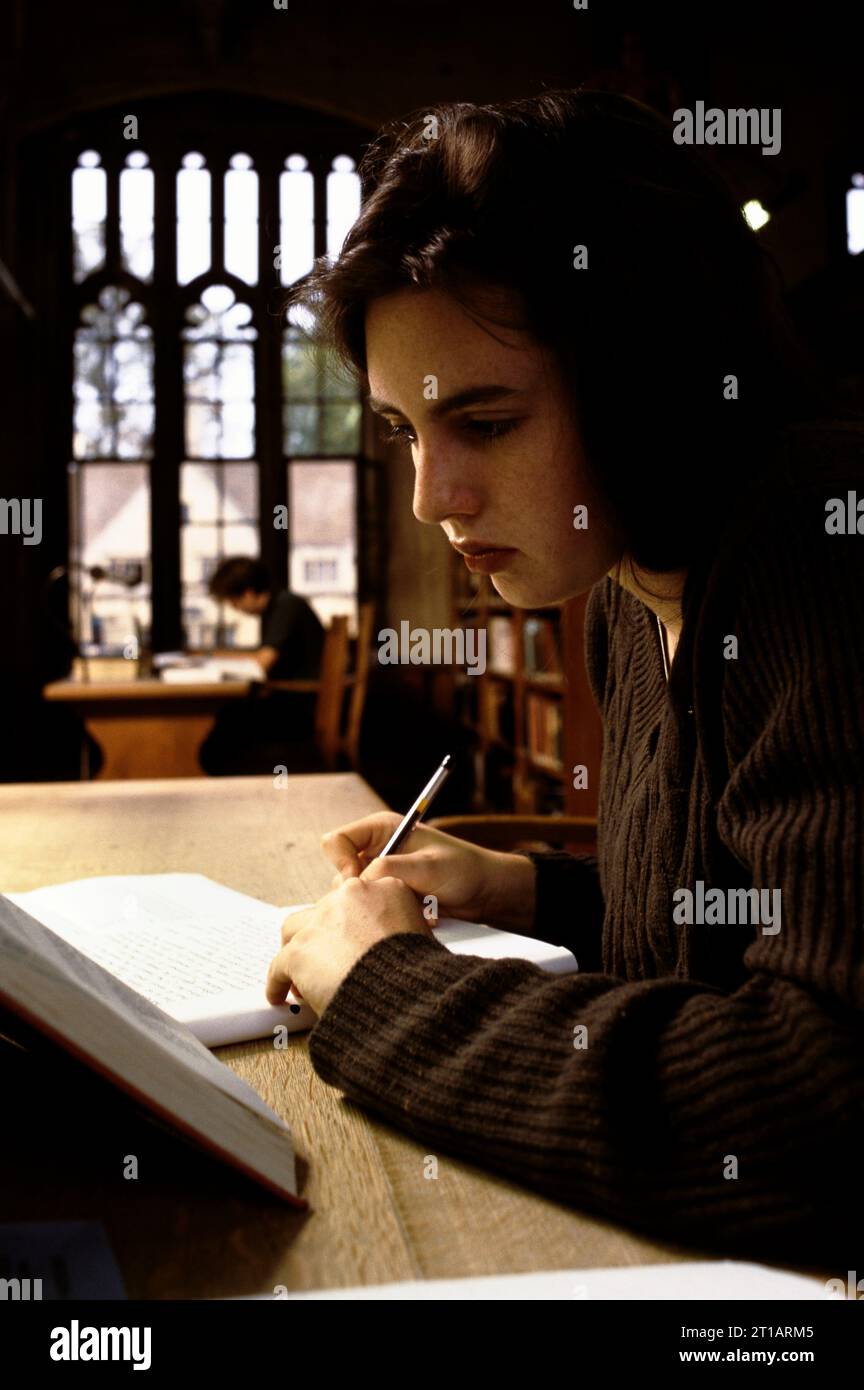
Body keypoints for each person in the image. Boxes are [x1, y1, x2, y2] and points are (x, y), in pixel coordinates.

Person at [264, 89, 864, 1262]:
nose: (436, 497)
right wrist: (529, 891)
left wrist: (389, 990)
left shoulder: (818, 544)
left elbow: (823, 1097)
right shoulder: (633, 595)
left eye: (484, 423)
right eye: (405, 432)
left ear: (653, 379)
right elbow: (727, 936)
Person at [199, 558, 324, 773]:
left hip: (301, 709)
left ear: (248, 593)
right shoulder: (280, 605)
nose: (235, 608)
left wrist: (219, 666)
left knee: (224, 730)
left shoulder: (285, 606)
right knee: (228, 718)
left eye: (234, 601)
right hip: (297, 701)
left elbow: (262, 663)